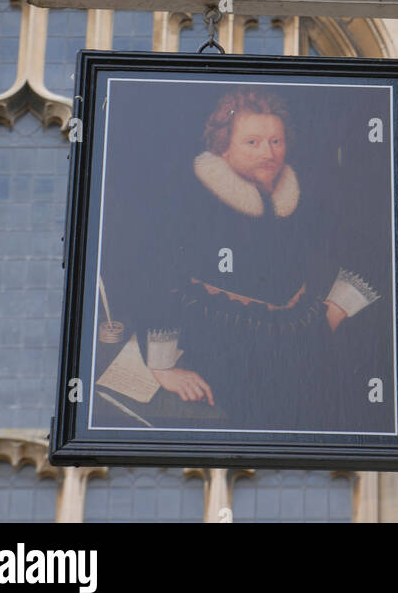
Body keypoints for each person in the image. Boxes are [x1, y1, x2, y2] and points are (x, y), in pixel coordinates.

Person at [146, 88, 380, 431]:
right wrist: (162, 367)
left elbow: (361, 246)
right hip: (219, 344)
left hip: (301, 341)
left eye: (276, 141)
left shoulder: (299, 198)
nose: (268, 153)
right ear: (223, 147)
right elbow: (158, 274)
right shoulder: (194, 201)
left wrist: (337, 307)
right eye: (252, 143)